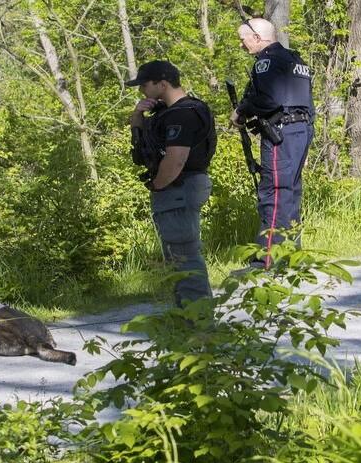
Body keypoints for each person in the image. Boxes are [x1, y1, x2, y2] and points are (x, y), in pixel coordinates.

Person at [128, 60, 217, 307]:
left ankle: (200, 329)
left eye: (144, 85)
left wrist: (157, 185)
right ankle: (187, 323)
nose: (142, 91)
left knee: (184, 259)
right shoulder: (170, 112)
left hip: (178, 187)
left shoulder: (183, 113)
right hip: (178, 187)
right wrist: (137, 114)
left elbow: (176, 160)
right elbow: (141, 146)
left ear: (162, 83)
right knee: (177, 260)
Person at [231, 17, 315, 272]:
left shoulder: (266, 63)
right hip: (301, 130)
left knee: (274, 193)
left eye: (243, 39)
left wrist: (241, 111)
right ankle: (291, 256)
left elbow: (268, 100)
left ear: (257, 37)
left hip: (281, 132)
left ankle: (266, 259)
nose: (242, 45)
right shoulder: (296, 61)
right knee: (290, 193)